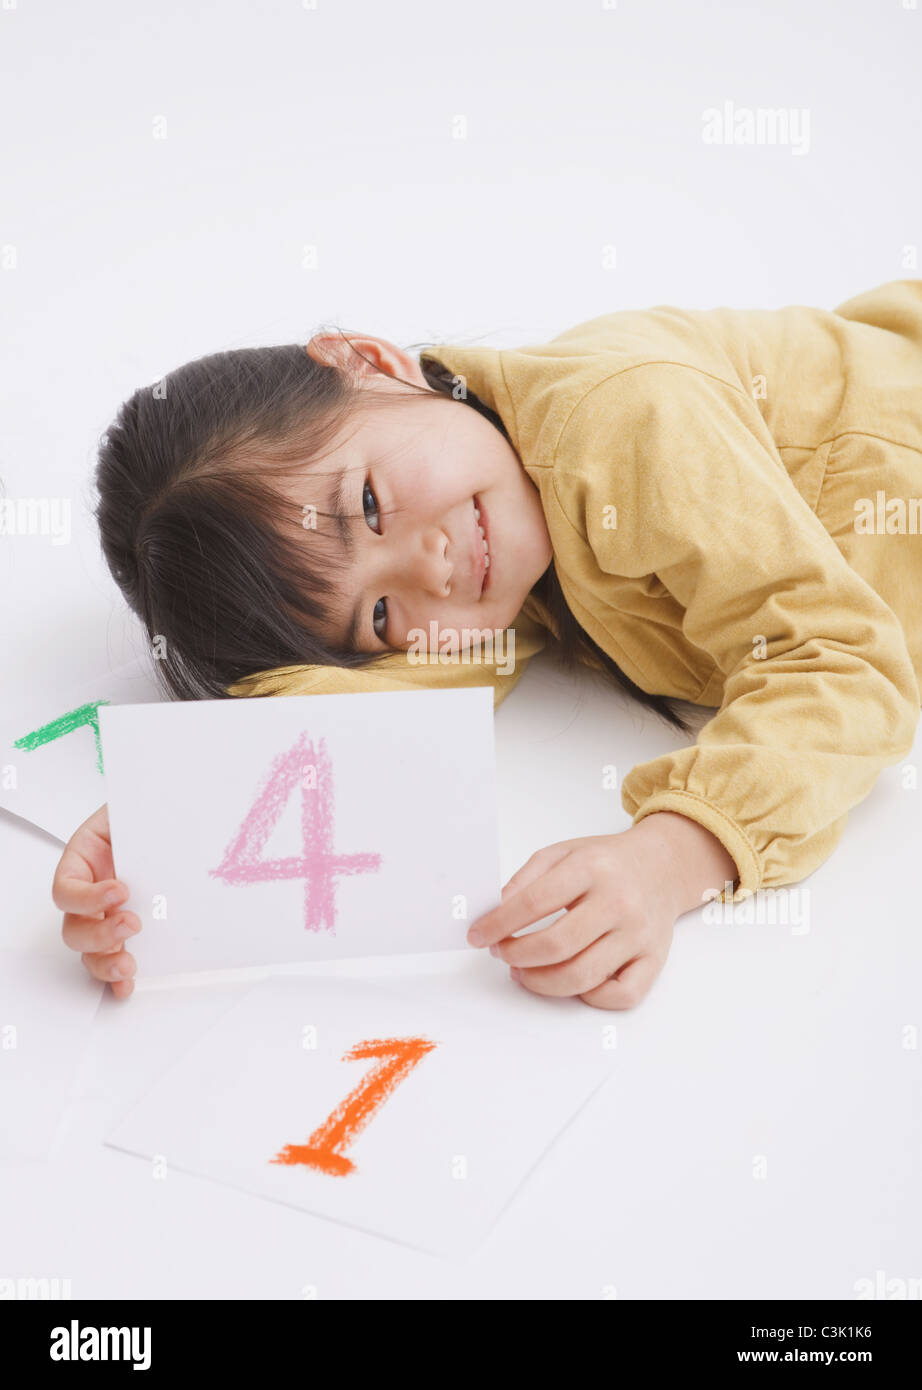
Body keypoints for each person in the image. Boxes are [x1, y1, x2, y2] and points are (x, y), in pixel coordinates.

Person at [52, 279, 922, 1008]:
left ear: (366, 361)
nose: (431, 570)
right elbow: (403, 681)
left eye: (366, 506)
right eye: (381, 616)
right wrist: (187, 803)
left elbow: (844, 662)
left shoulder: (620, 422)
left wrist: (672, 856)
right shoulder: (494, 543)